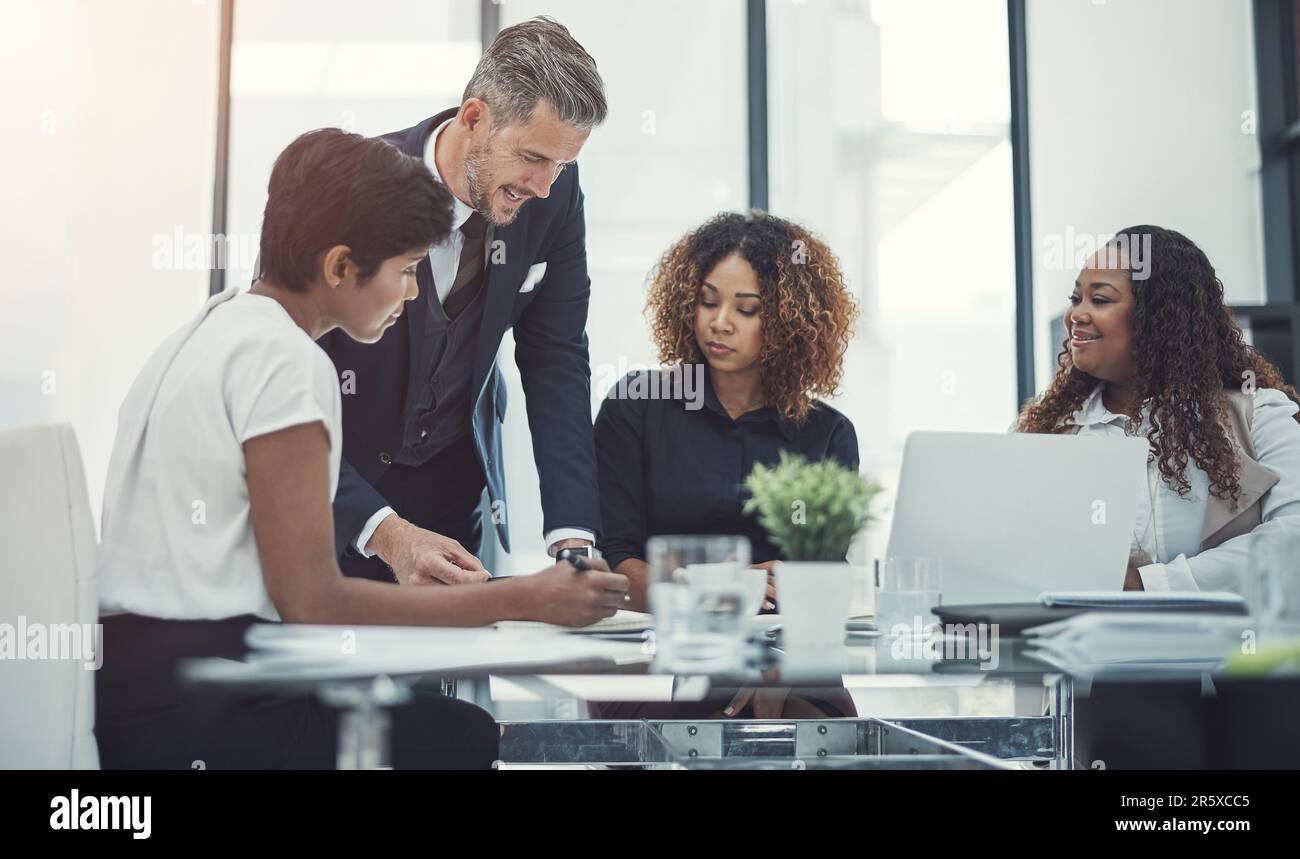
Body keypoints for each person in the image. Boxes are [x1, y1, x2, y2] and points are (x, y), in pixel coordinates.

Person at [94, 128, 628, 770]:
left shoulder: (206, 331)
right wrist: (524, 598)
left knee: (431, 722)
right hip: (210, 706)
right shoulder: (286, 361)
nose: (411, 294)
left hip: (141, 693)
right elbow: (314, 602)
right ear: (340, 266)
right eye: (405, 271)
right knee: (463, 737)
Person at [321, 17, 610, 586]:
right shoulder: (349, 186)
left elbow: (556, 357)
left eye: (563, 164)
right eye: (533, 156)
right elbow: (282, 384)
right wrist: (383, 531)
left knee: (452, 673)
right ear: (474, 118)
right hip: (335, 501)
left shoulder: (552, 199)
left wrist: (573, 537)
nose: (545, 186)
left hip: (452, 507)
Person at [593, 211, 861, 718]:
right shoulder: (636, 406)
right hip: (664, 653)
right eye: (708, 301)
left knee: (831, 735)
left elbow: (822, 577)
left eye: (748, 309)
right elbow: (615, 564)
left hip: (788, 658)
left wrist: (794, 596)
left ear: (787, 319)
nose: (719, 322)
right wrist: (727, 590)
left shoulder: (827, 433)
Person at [1016, 224, 1300, 592]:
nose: (1077, 315)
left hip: (1232, 647)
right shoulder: (1048, 434)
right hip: (1087, 646)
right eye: (1076, 299)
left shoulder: (1260, 415)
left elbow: (1294, 536)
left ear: (1158, 316)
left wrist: (1148, 583)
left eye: (1099, 300)